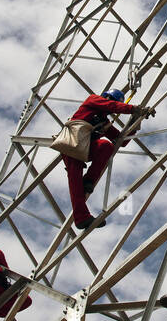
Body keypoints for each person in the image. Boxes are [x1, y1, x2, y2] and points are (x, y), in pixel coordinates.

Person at [60, 89, 154, 229]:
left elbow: (121, 141)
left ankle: (89, 180)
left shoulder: (104, 121)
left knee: (106, 146)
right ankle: (81, 218)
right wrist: (134, 109)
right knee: (75, 183)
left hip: (85, 147)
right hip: (71, 144)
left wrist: (135, 123)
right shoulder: (92, 100)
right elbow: (111, 106)